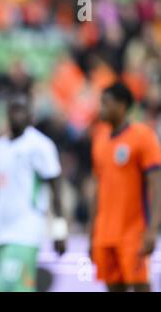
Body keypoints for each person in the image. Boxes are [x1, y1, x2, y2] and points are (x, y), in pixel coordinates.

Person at [0, 94, 67, 292]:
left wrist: (59, 231)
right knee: (18, 287)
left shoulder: (40, 146)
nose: (18, 114)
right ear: (7, 114)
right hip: (3, 232)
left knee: (5, 286)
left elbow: (56, 189)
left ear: (31, 115)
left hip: (27, 229)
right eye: (14, 109)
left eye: (22, 109)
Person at [89, 82, 161, 292]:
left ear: (121, 106)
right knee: (113, 289)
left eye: (105, 103)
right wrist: (91, 232)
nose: (100, 108)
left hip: (133, 231)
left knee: (140, 287)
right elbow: (97, 189)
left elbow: (156, 184)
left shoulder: (143, 136)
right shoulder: (100, 140)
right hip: (105, 232)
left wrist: (153, 229)